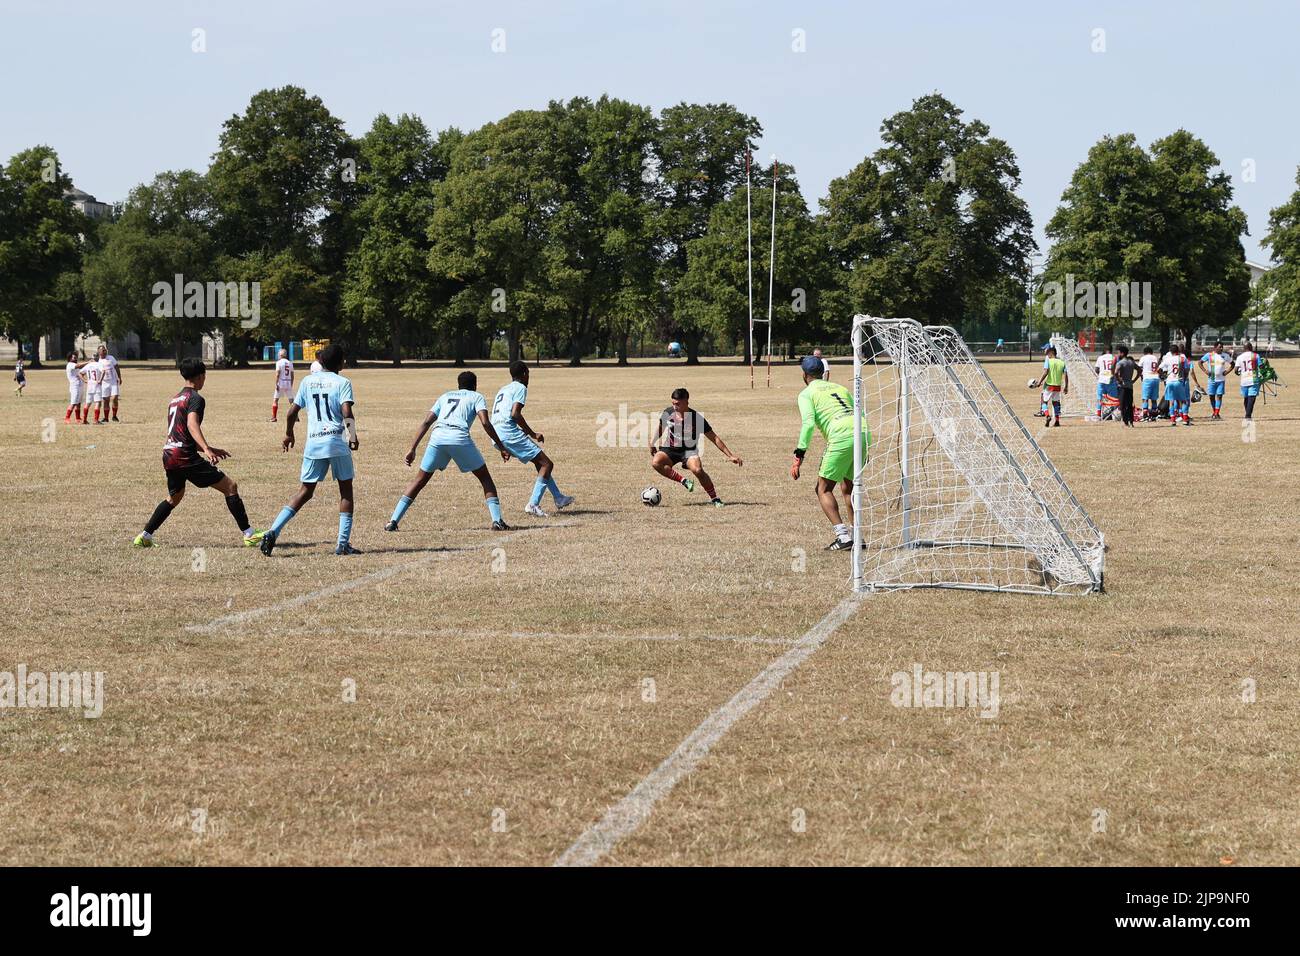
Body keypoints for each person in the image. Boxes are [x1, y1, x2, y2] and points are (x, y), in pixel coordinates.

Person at [132, 358, 263, 548]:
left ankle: (144, 536)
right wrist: (207, 449)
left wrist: (208, 447)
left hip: (169, 454)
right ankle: (249, 534)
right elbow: (191, 425)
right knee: (230, 487)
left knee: (174, 498)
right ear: (201, 376)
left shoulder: (174, 399)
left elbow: (180, 433)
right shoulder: (196, 398)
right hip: (185, 456)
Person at [260, 344, 360, 556]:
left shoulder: (308, 381)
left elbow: (291, 413)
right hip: (337, 441)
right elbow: (347, 412)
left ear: (321, 361)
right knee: (346, 491)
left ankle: (273, 531)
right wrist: (352, 436)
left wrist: (288, 434)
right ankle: (342, 545)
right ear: (339, 362)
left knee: (305, 491)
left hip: (314, 443)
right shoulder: (343, 382)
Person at [385, 370, 513, 533]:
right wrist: (501, 446)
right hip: (459, 437)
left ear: (458, 385)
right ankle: (497, 521)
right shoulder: (477, 397)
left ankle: (393, 521)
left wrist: (412, 448)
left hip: (437, 437)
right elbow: (485, 422)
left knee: (419, 481)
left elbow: (426, 422)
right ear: (475, 385)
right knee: (485, 478)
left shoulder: (445, 396)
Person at [791, 356, 863, 550]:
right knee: (849, 487)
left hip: (841, 436)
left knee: (823, 489)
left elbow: (808, 424)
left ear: (804, 375)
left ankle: (843, 537)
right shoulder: (840, 388)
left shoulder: (806, 394)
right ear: (823, 373)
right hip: (862, 432)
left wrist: (799, 456)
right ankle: (858, 536)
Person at [490, 361, 574, 518]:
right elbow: (515, 414)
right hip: (508, 432)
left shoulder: (504, 389)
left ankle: (558, 497)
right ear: (523, 374)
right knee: (547, 464)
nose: (529, 377)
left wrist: (502, 445)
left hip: (497, 434)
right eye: (528, 373)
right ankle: (533, 504)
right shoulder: (520, 388)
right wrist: (532, 433)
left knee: (540, 463)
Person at [648, 387, 743, 507]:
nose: (674, 407)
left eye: (677, 404)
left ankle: (715, 499)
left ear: (686, 402)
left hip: (689, 451)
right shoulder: (668, 413)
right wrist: (652, 442)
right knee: (656, 463)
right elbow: (660, 428)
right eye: (672, 403)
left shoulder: (696, 418)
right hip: (670, 449)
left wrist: (730, 455)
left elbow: (714, 438)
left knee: (698, 470)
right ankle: (684, 481)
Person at [1031, 346, 1069, 427]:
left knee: (1044, 402)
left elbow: (1045, 372)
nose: (1047, 354)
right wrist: (1066, 387)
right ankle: (1057, 421)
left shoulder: (1049, 361)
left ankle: (1047, 416)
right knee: (1056, 403)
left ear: (1052, 352)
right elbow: (1066, 375)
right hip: (1057, 387)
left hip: (1049, 386)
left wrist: (1039, 382)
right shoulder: (1062, 362)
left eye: (1048, 352)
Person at [1198, 341, 1230, 421]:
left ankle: (1216, 413)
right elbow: (1200, 362)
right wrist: (1205, 371)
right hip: (1211, 379)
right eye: (1220, 347)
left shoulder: (1225, 355)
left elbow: (1232, 364)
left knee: (1219, 396)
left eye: (1222, 347)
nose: (1222, 348)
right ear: (1215, 347)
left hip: (1221, 380)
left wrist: (1227, 372)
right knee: (1212, 396)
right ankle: (1215, 412)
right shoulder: (1209, 355)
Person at [1233, 340, 1262, 420]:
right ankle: (1248, 415)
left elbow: (1236, 370)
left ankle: (1247, 413)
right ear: (1251, 347)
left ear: (1244, 348)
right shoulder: (1256, 356)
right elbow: (1261, 366)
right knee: (1251, 398)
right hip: (1253, 378)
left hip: (1244, 380)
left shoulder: (1239, 357)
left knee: (1246, 398)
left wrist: (1238, 373)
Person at [1114, 346, 1138, 427]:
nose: (1118, 354)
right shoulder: (1131, 362)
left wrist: (1119, 380)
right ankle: (1131, 421)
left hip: (1122, 386)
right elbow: (1140, 370)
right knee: (1129, 404)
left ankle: (1125, 422)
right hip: (1130, 386)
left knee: (1123, 405)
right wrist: (1134, 380)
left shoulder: (1120, 363)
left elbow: (1116, 373)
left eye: (1119, 352)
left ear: (1122, 353)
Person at [97, 344, 122, 422]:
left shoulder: (111, 358)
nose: (105, 351)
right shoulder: (98, 361)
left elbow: (116, 367)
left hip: (113, 381)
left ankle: (114, 416)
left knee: (115, 398)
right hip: (104, 383)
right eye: (102, 350)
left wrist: (119, 377)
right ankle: (106, 418)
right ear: (99, 352)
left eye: (105, 350)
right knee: (106, 400)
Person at [1137, 346, 1161, 421]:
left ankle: (1145, 416)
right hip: (1156, 378)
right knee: (1154, 398)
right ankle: (1154, 415)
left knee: (1145, 398)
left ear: (1144, 352)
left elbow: (1139, 368)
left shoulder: (1143, 358)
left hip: (1147, 378)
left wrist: (1141, 376)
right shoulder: (1155, 358)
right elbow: (1159, 368)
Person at [271, 348, 294, 423]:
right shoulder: (290, 362)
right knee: (291, 401)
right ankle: (295, 416)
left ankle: (274, 417)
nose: (278, 355)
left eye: (278, 354)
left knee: (275, 400)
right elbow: (292, 375)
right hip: (288, 382)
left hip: (281, 382)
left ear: (281, 355)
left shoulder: (279, 362)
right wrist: (291, 384)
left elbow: (278, 374)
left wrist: (276, 384)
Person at [1094, 345, 1117, 418]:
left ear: (1104, 350)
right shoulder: (1114, 358)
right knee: (1113, 398)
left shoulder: (1100, 358)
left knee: (1100, 397)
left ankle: (1098, 413)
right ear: (1111, 350)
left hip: (1102, 380)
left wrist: (1101, 374)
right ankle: (1112, 414)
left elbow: (1096, 369)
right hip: (1111, 379)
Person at [82, 351, 103, 424]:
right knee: (98, 402)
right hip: (96, 385)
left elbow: (80, 373)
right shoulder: (98, 364)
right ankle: (96, 420)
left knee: (87, 403)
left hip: (89, 386)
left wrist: (85, 380)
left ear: (92, 358)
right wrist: (100, 380)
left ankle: (84, 420)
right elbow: (103, 371)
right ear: (98, 357)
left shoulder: (88, 365)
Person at [64, 351, 86, 422]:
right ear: (70, 358)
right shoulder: (70, 364)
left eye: (76, 356)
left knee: (78, 403)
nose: (75, 357)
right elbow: (79, 366)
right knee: (73, 403)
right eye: (73, 357)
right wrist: (89, 362)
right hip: (74, 386)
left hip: (80, 385)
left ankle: (78, 418)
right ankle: (67, 418)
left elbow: (80, 372)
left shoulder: (75, 365)